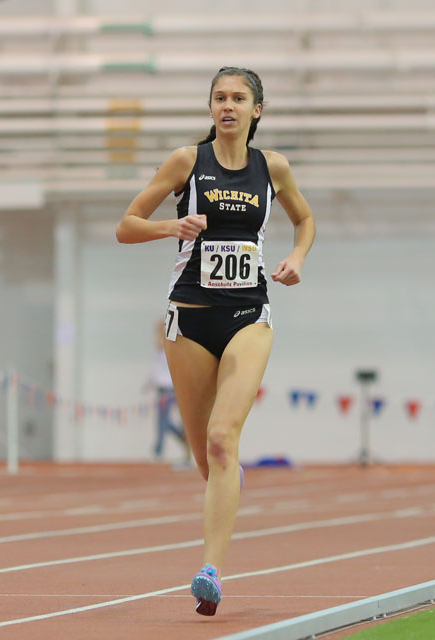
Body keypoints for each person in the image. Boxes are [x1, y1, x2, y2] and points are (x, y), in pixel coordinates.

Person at [115, 66, 315, 616]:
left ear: (256, 110)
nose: (228, 106)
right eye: (220, 97)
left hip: (249, 314)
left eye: (238, 98)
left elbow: (305, 219)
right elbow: (126, 225)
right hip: (190, 319)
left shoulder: (273, 168)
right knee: (207, 457)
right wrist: (170, 226)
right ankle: (225, 479)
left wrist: (297, 258)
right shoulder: (187, 162)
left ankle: (210, 571)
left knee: (224, 439)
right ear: (210, 108)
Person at [149, 320, 191, 467]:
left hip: (170, 389)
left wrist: (161, 329)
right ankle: (160, 450)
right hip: (164, 388)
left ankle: (161, 450)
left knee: (165, 422)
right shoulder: (161, 347)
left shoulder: (168, 344)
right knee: (162, 422)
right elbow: (156, 369)